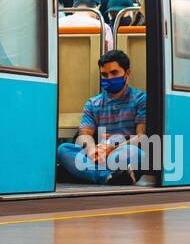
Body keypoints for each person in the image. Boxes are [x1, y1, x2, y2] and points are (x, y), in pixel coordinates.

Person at [56, 50, 153, 185]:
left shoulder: (141, 99)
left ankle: (87, 173)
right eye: (104, 74)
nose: (109, 78)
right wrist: (92, 150)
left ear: (127, 73)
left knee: (137, 154)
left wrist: (111, 148)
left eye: (114, 73)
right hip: (97, 155)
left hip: (121, 151)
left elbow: (141, 137)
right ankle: (109, 177)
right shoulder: (93, 103)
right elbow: (85, 135)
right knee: (64, 150)